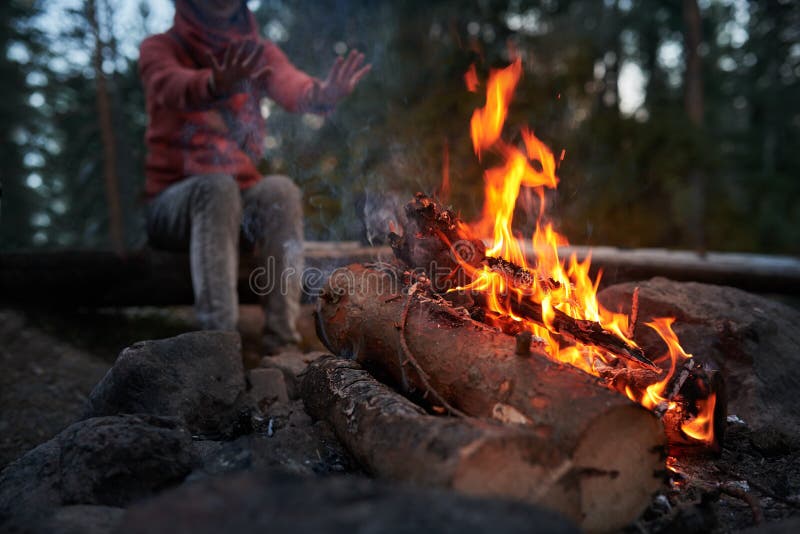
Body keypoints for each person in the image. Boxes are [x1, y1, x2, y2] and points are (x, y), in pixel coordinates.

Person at [139, 0, 370, 353]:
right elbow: (170, 85)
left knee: (280, 190)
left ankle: (283, 344)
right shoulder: (161, 47)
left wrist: (321, 94)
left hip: (236, 201)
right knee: (216, 189)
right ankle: (218, 347)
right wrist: (215, 82)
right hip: (173, 207)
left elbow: (291, 84)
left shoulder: (258, 52)